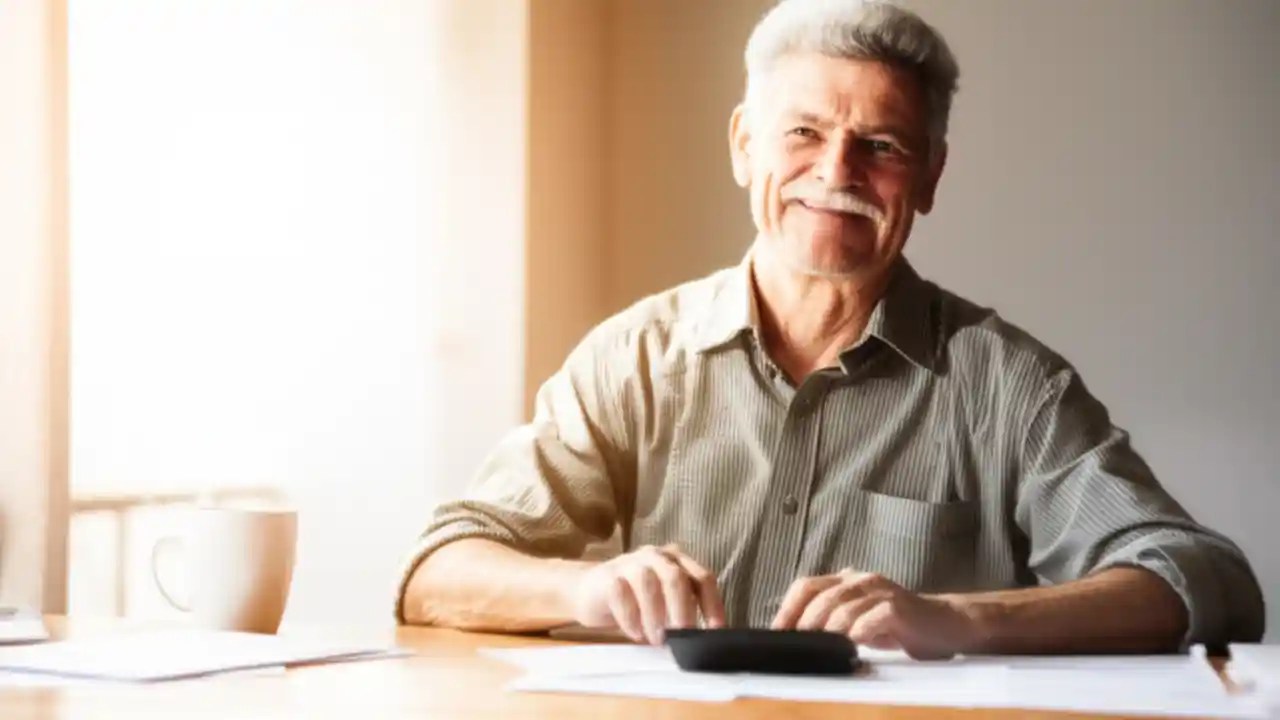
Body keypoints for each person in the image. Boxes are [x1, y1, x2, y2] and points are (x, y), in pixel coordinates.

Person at [395, 0, 1265, 658]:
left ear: (929, 175)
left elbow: (1208, 579)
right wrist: (591, 588)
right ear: (745, 146)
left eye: (881, 145)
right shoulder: (637, 357)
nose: (836, 171)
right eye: (803, 132)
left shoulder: (1010, 385)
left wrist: (952, 616)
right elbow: (438, 570)